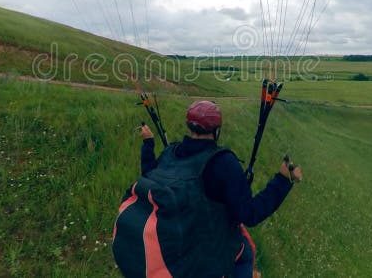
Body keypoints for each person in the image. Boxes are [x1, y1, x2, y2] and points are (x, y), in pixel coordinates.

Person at [112, 100, 302, 278]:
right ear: (216, 130)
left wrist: (148, 144)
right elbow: (249, 214)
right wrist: (283, 180)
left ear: (189, 125)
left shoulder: (171, 152)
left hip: (183, 233)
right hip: (204, 249)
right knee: (245, 253)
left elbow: (149, 175)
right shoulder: (224, 162)